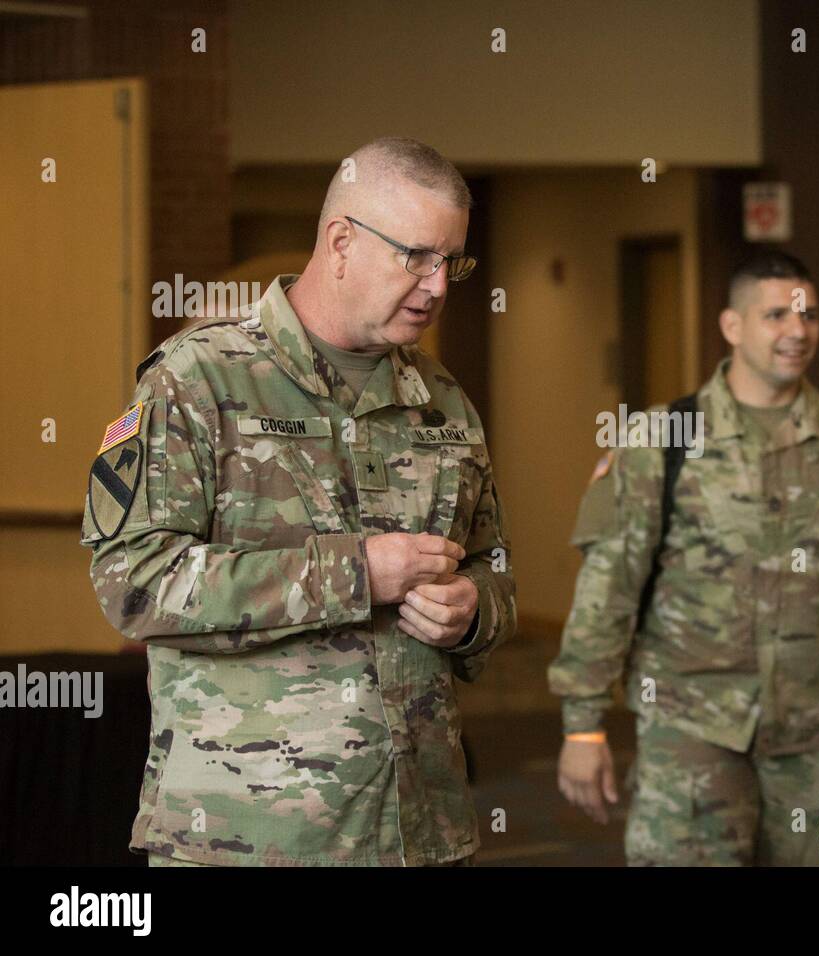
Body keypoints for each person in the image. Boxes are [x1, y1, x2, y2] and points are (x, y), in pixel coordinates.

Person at [81, 137, 515, 866]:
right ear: (340, 240)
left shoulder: (443, 404)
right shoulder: (197, 381)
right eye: (417, 257)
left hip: (419, 833)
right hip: (250, 841)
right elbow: (134, 585)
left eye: (453, 263)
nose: (439, 286)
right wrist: (355, 575)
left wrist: (474, 610)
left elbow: (493, 565)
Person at [549, 251, 819, 865]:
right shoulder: (663, 439)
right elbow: (609, 587)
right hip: (691, 731)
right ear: (732, 326)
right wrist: (583, 724)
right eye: (775, 315)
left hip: (817, 737)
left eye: (810, 314)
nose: (797, 331)